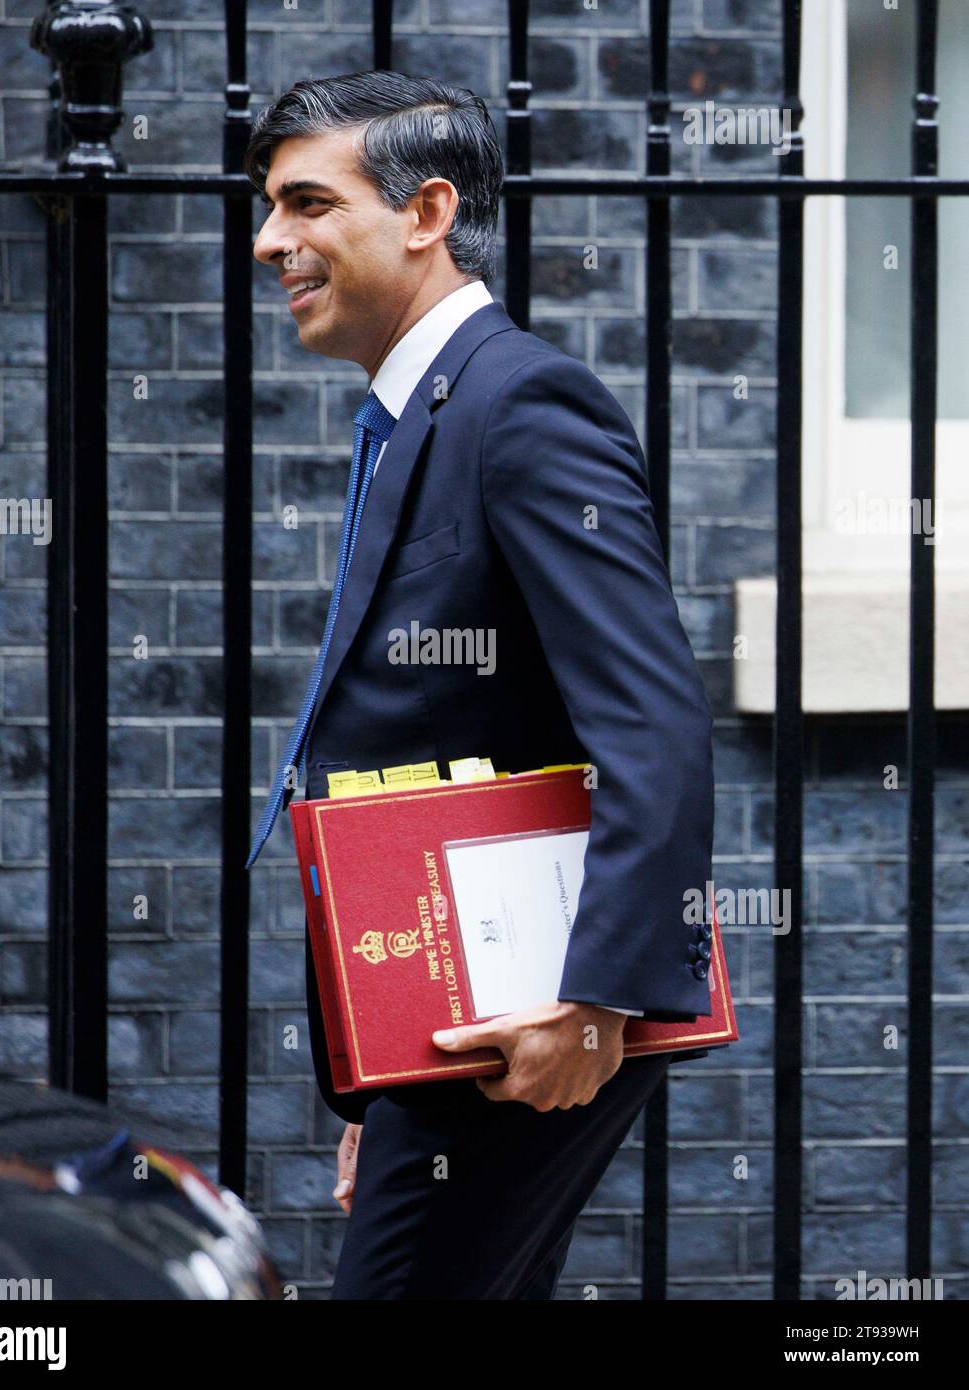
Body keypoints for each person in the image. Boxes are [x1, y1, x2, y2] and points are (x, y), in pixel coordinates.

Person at [243, 70, 715, 1300]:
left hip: (529, 1021)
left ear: (425, 211)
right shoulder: (423, 412)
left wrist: (592, 1003)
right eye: (267, 206)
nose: (268, 241)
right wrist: (388, 1042)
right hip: (453, 1022)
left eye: (304, 202)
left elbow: (651, 722)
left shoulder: (522, 407)